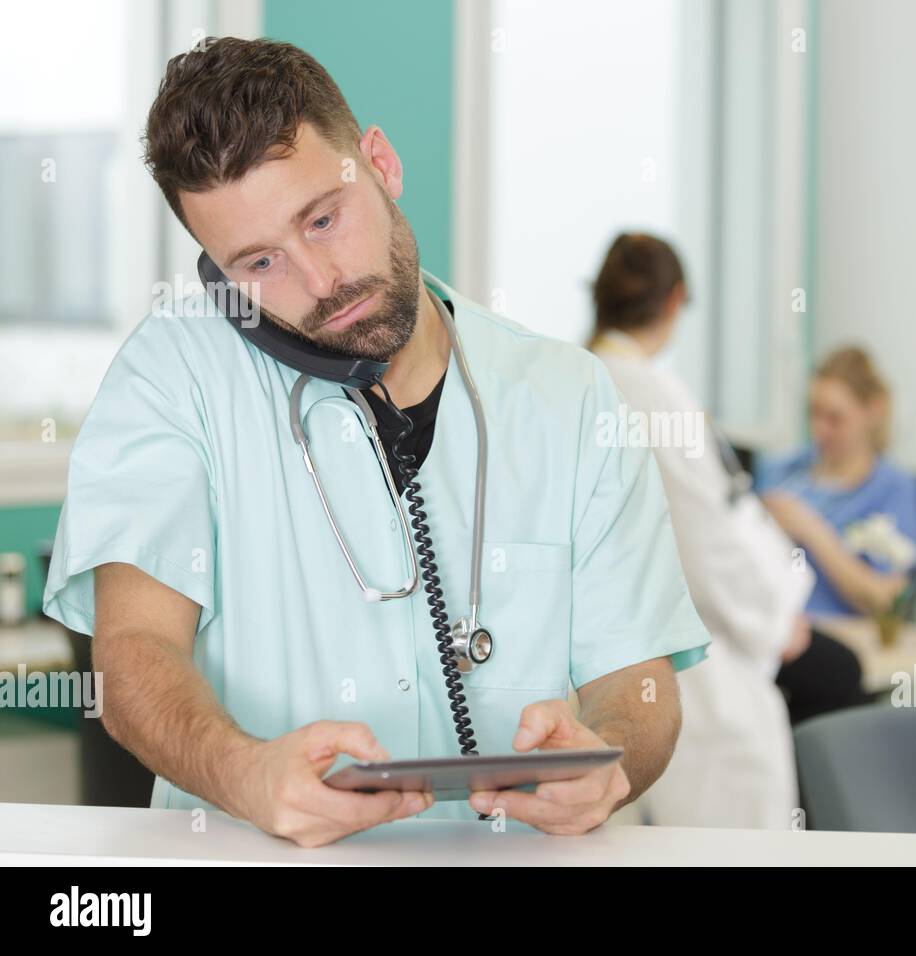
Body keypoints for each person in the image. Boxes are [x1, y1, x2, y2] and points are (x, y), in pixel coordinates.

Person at [40, 38, 711, 846]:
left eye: (324, 219)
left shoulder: (567, 395)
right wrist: (243, 771)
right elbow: (132, 653)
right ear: (218, 277)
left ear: (380, 165)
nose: (321, 284)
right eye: (260, 262)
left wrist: (610, 762)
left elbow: (639, 683)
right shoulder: (167, 379)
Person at [587, 233, 813, 829]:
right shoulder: (654, 396)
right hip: (696, 667)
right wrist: (776, 616)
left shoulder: (580, 380)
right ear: (675, 300)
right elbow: (709, 541)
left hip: (604, 672)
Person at [756, 347, 916, 724]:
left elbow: (886, 600)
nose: (821, 430)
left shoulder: (892, 488)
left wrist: (811, 530)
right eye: (814, 415)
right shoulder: (780, 471)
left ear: (874, 410)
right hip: (764, 629)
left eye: (835, 418)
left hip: (830, 645)